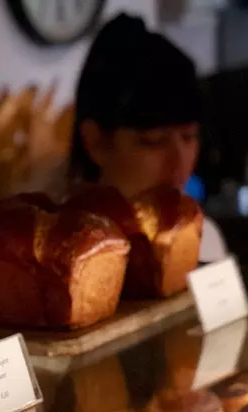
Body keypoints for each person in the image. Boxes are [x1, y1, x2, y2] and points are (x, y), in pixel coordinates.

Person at [69, 14, 226, 261]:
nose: (179, 163)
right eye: (153, 140)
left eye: (189, 137)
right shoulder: (71, 255)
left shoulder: (203, 239)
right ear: (95, 142)